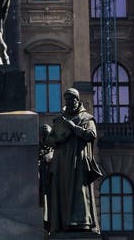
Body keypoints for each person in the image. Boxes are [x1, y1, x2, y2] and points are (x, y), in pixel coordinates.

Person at [47, 88, 103, 234]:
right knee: (63, 192)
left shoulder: (86, 118)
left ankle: (81, 223)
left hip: (78, 162)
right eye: (67, 100)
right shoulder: (60, 120)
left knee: (79, 192)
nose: (70, 102)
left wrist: (74, 128)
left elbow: (91, 134)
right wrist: (60, 138)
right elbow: (49, 139)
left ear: (78, 101)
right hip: (62, 163)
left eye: (72, 99)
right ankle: (63, 223)